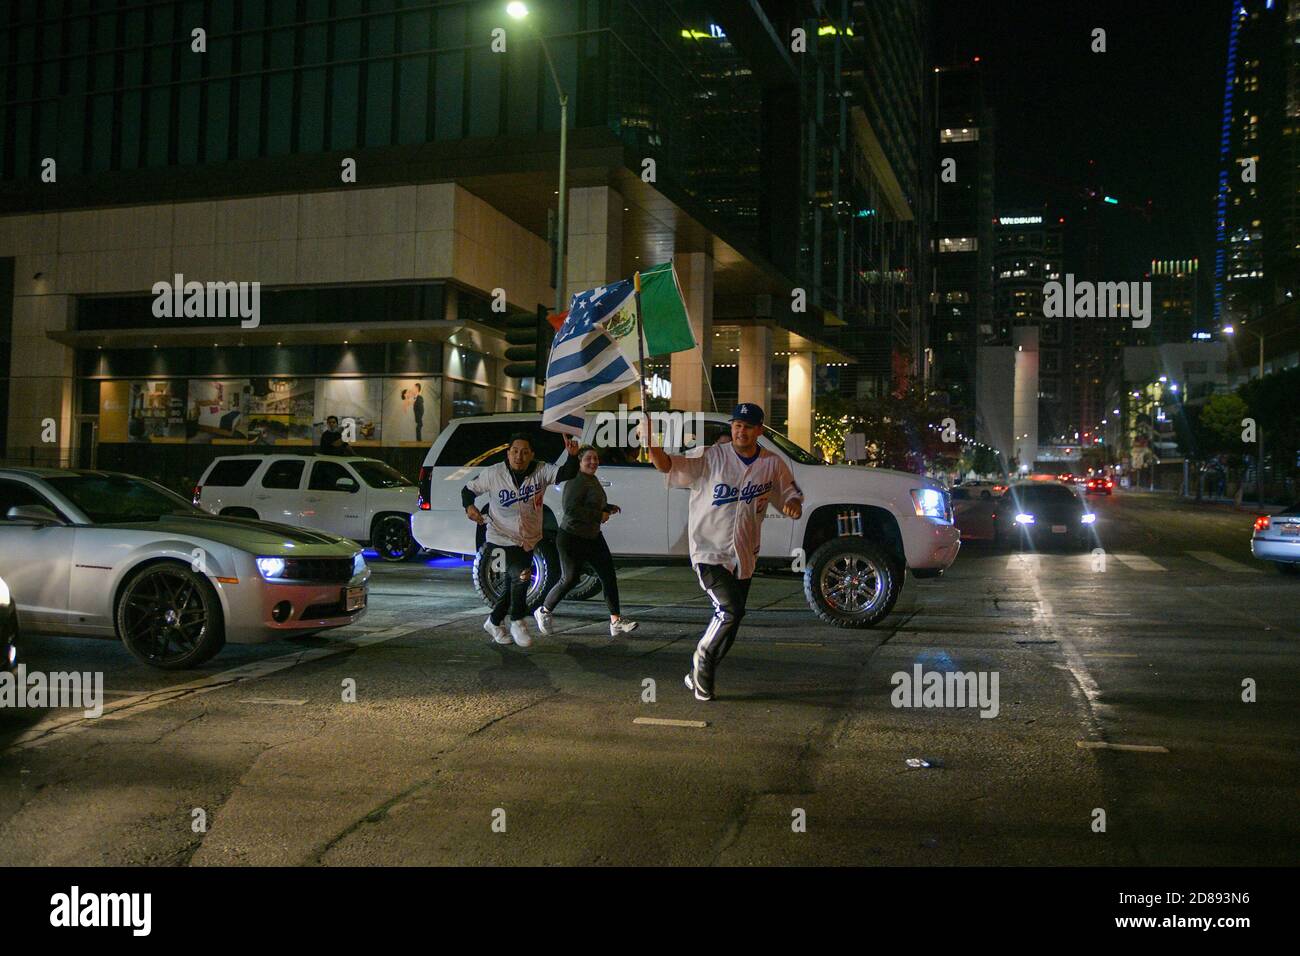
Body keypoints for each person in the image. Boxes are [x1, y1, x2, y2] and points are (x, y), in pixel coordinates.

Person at [647, 403, 803, 701]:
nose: (740, 430)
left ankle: (698, 675)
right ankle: (702, 659)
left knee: (734, 619)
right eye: (736, 425)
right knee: (729, 610)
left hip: (744, 555)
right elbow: (666, 465)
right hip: (708, 551)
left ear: (759, 430)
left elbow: (791, 492)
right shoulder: (710, 456)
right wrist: (650, 440)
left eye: (747, 426)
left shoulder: (772, 463)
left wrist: (793, 503)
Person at [463, 432, 581, 647]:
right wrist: (469, 507)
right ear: (508, 453)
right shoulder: (494, 473)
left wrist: (573, 456)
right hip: (499, 537)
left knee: (513, 584)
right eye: (515, 451)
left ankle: (494, 621)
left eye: (525, 452)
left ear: (531, 454)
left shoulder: (541, 470)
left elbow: (567, 473)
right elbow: (468, 490)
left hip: (527, 538)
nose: (519, 456)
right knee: (522, 575)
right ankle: (518, 620)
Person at [534, 445, 639, 638]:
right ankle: (544, 611)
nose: (593, 462)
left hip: (592, 536)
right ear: (580, 462)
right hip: (571, 537)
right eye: (588, 459)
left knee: (608, 576)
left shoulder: (592, 479)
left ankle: (616, 620)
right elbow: (571, 509)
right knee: (570, 579)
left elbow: (590, 503)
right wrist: (600, 515)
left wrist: (608, 507)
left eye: (595, 459)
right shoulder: (575, 480)